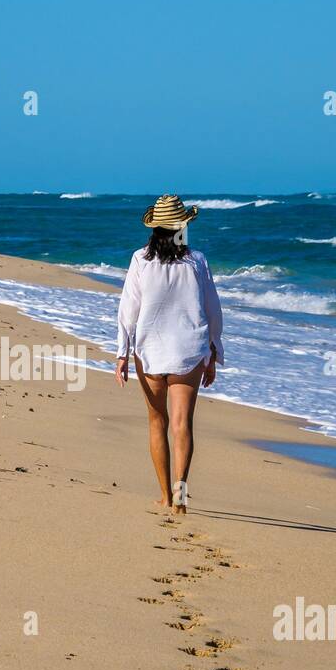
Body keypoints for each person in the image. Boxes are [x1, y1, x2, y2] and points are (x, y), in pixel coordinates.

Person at [114, 194, 224, 512]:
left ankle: (164, 495)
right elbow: (213, 310)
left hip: (149, 351)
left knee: (156, 422)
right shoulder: (197, 261)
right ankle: (180, 496)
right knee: (182, 425)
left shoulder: (140, 260)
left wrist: (122, 353)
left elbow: (127, 309)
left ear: (154, 229)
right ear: (182, 227)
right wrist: (214, 349)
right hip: (189, 350)